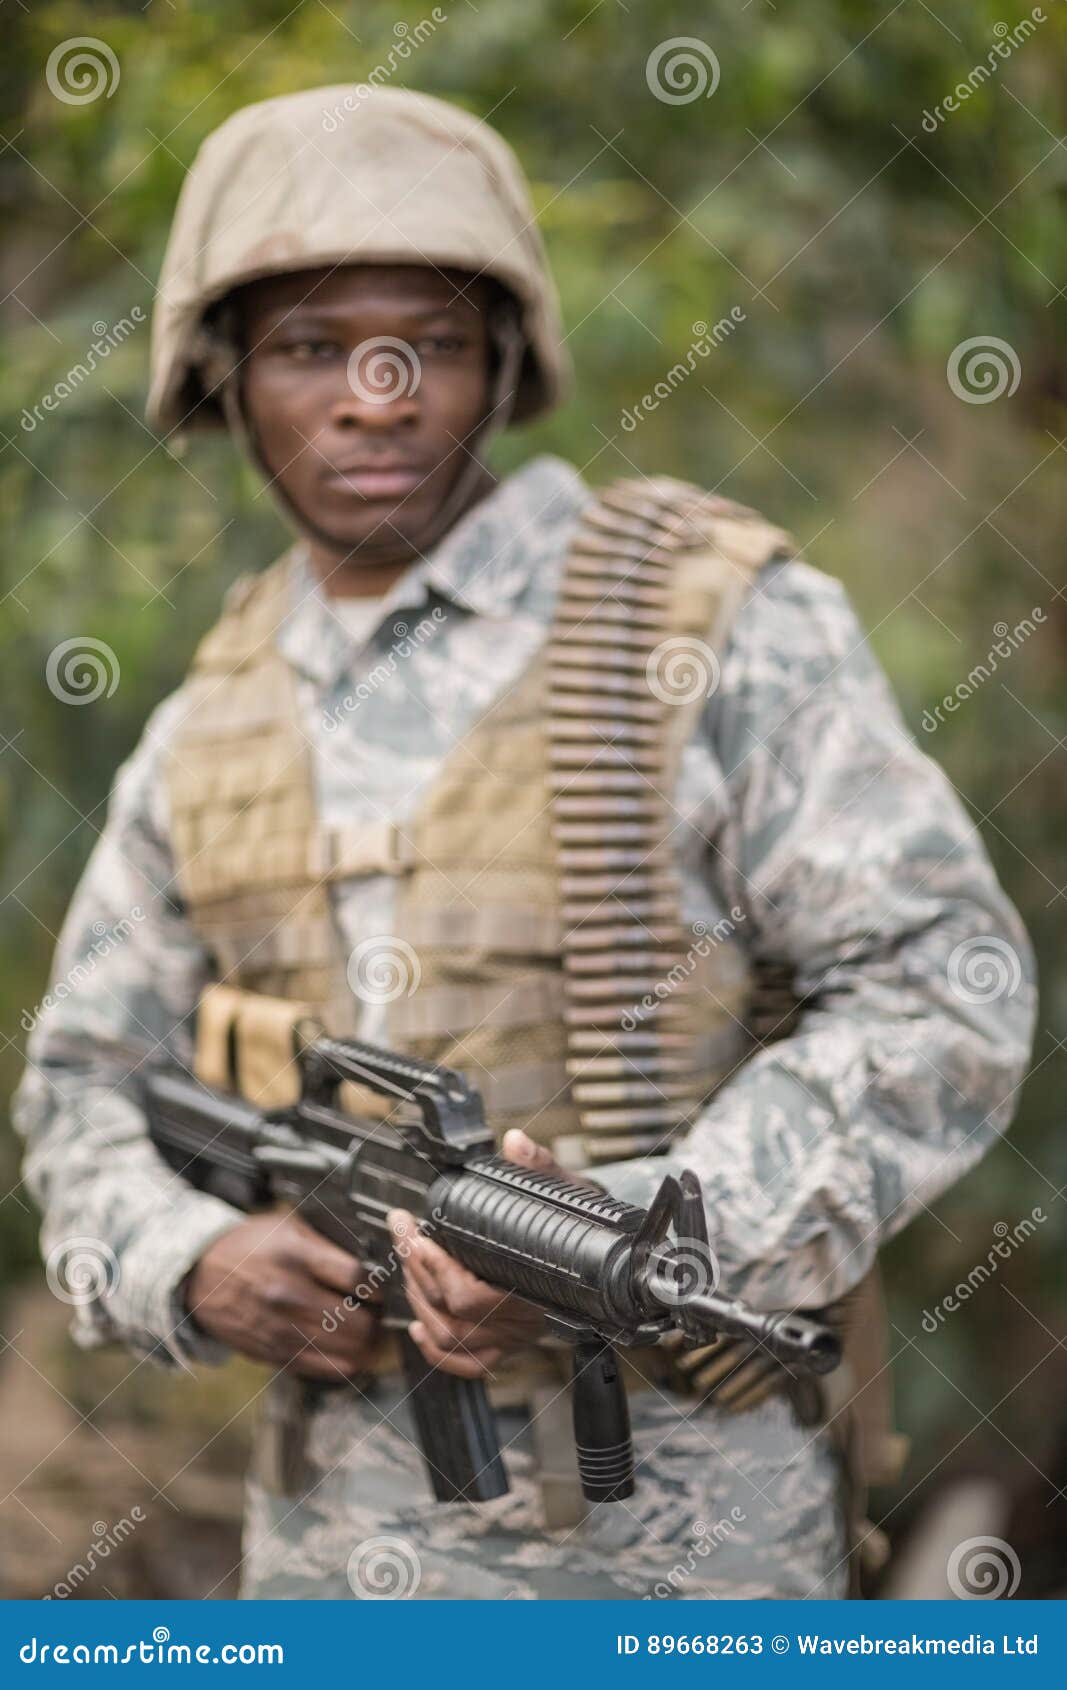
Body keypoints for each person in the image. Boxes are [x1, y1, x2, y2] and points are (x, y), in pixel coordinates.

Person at [13, 84, 1035, 1601]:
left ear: (501, 364)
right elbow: (81, 1083)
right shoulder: (207, 726)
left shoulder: (705, 624)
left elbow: (948, 991)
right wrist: (184, 1260)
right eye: (308, 347)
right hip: (333, 1556)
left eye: (426, 339)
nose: (376, 393)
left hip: (690, 1553)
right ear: (220, 377)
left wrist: (626, 1225)